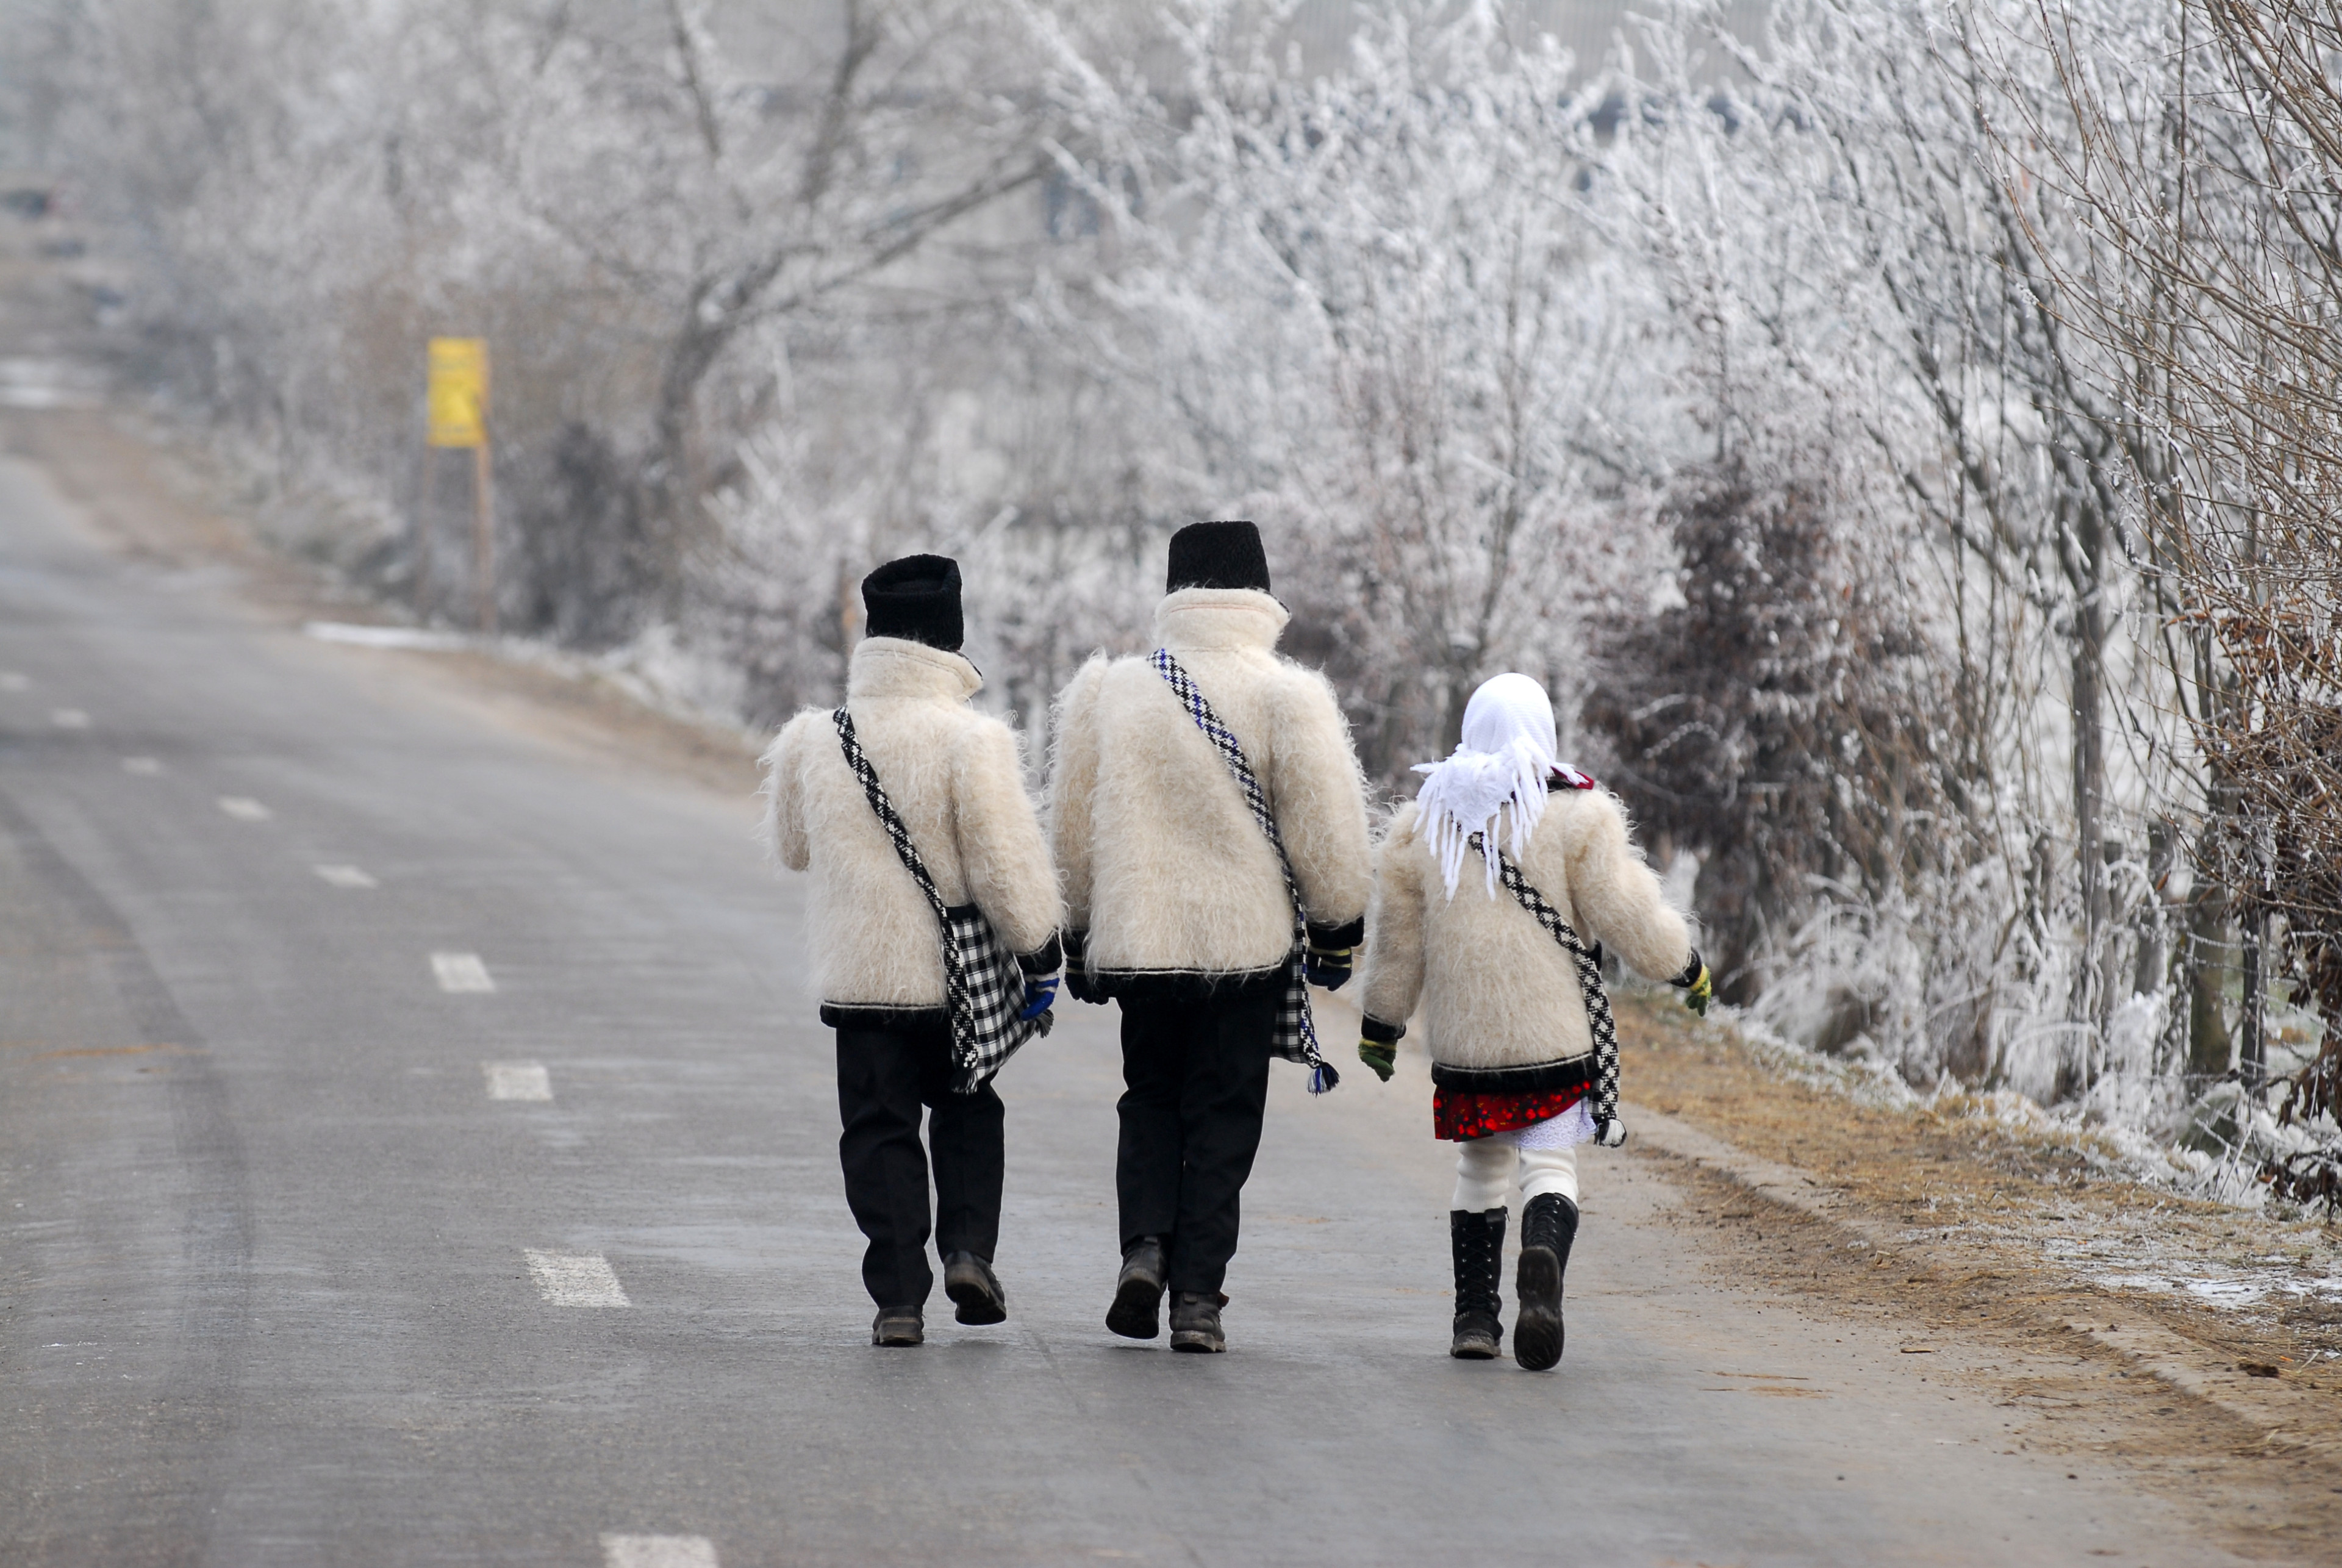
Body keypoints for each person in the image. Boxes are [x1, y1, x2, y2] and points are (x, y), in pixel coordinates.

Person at [1050, 520, 1372, 1353]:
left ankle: (1143, 1247)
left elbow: (1074, 827)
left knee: (1150, 1095)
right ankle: (1197, 1294)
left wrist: (1079, 929)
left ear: (1176, 593)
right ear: (1260, 598)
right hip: (1248, 947)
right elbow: (1329, 831)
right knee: (1224, 1113)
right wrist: (1336, 928)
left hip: (1143, 940)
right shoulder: (1288, 694)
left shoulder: (1113, 691)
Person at [1355, 673, 1711, 1370]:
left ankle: (1474, 1321)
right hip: (1552, 1042)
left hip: (1466, 1047)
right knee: (1549, 1161)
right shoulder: (1579, 817)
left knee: (1479, 1169)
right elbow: (1627, 914)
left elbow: (1399, 943)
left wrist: (1381, 1025)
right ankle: (1543, 1256)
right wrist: (1683, 965)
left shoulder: (1424, 824)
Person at [762, 554, 1064, 1347]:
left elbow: (793, 848)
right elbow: (1006, 866)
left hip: (859, 974)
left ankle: (898, 1297)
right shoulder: (972, 740)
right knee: (968, 1107)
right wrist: (1039, 952)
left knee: (877, 1126)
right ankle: (967, 1248)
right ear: (948, 639)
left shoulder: (813, 739)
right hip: (953, 978)